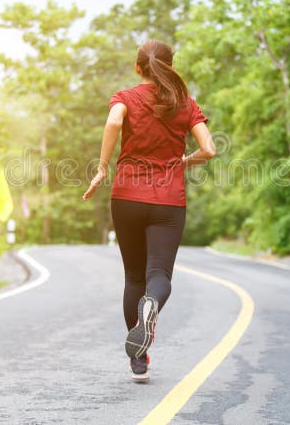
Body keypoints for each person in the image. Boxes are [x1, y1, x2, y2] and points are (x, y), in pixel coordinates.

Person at [82, 39, 216, 383]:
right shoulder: (185, 103)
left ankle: (138, 360)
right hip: (168, 200)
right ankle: (152, 307)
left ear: (137, 66)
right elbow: (209, 149)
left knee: (133, 277)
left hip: (126, 196)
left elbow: (113, 122)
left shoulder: (125, 98)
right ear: (170, 67)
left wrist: (101, 168)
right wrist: (184, 162)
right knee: (159, 276)